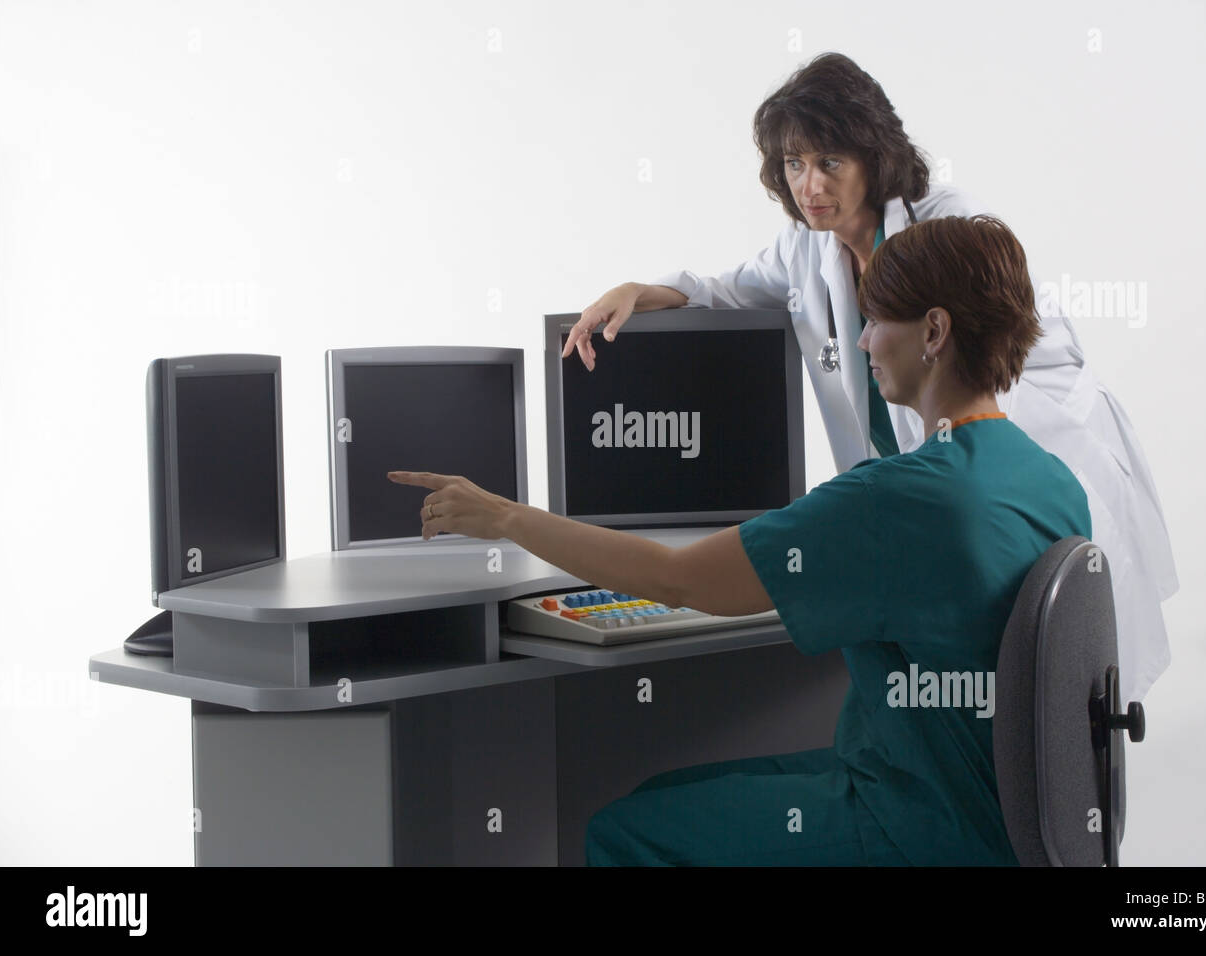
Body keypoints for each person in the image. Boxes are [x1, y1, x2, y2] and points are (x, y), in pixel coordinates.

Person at [389, 214, 1092, 866]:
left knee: (621, 830)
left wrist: (510, 518)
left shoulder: (901, 496)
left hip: (913, 824)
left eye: (877, 321)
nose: (862, 341)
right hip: (1005, 822)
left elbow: (678, 579)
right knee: (668, 793)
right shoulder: (1050, 479)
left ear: (933, 332)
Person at [563, 51, 1175, 704]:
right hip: (946, 496)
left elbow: (989, 383)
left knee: (1059, 690)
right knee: (992, 690)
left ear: (872, 154)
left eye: (829, 161)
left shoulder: (946, 228)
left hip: (1037, 455)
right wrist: (636, 291)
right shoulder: (806, 248)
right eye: (794, 165)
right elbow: (722, 291)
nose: (809, 185)